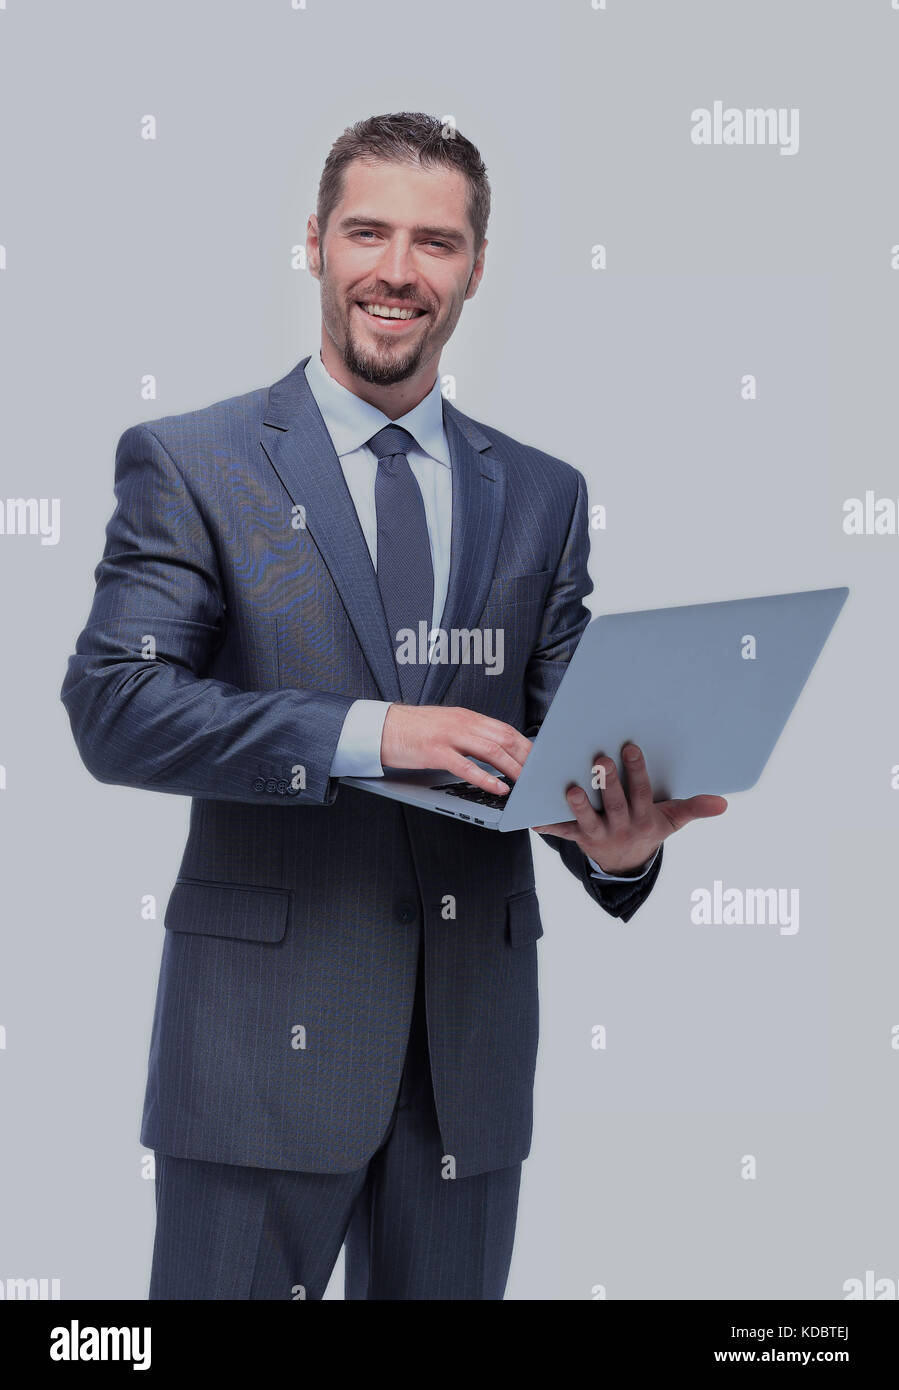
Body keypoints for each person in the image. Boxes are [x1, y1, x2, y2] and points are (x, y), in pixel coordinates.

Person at [60, 111, 726, 1300]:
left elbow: (558, 740)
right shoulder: (192, 461)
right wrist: (370, 731)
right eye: (367, 231)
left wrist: (616, 851)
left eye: (435, 241)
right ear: (313, 244)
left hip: (468, 1063)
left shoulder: (540, 492)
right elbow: (118, 704)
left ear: (474, 267)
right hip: (258, 1055)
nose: (397, 269)